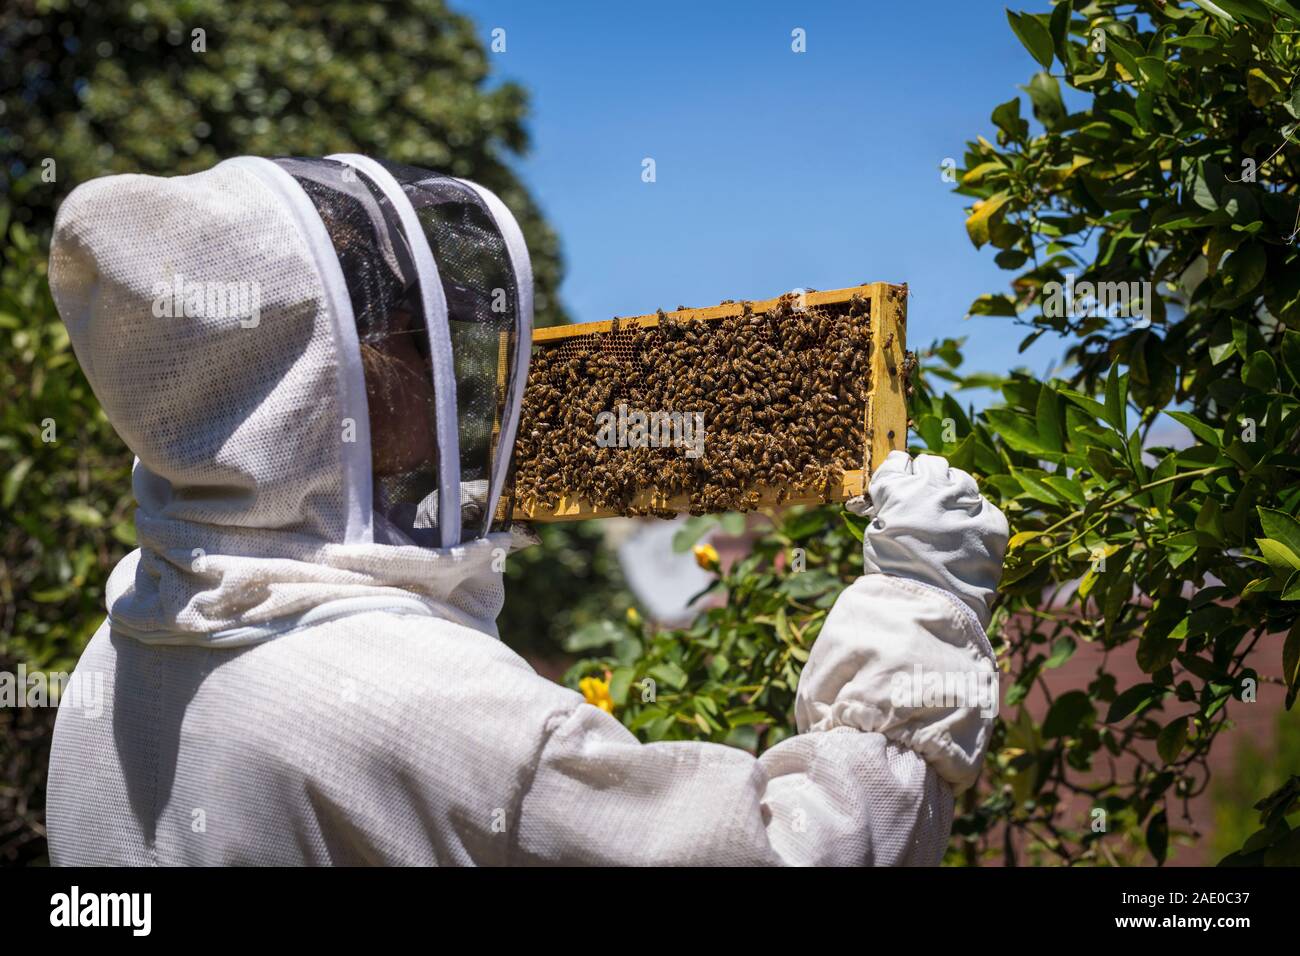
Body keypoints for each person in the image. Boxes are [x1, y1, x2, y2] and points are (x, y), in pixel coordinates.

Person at [44, 156, 1008, 866]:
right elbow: (804, 854)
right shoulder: (459, 719)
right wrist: (920, 602)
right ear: (341, 384)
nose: (475, 377)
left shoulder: (125, 635)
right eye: (422, 340)